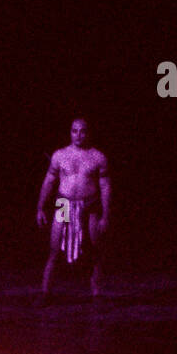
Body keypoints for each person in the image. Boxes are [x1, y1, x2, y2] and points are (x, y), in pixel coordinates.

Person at [36, 117, 111, 303]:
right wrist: (40, 207)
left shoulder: (98, 157)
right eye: (74, 131)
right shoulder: (59, 155)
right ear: (70, 132)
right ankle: (45, 293)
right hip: (64, 204)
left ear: (88, 133)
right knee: (54, 250)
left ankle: (97, 294)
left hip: (89, 204)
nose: (78, 135)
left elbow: (106, 187)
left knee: (95, 250)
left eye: (82, 131)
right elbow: (49, 181)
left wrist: (106, 216)